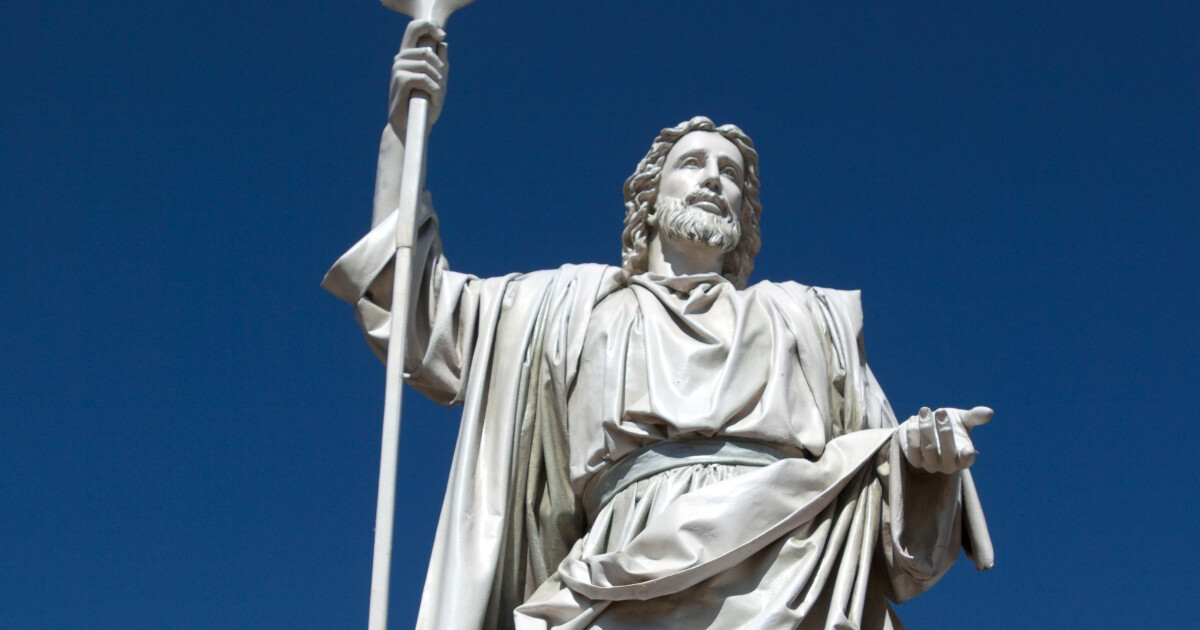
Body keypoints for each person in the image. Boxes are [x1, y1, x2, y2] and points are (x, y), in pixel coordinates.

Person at [324, 21, 994, 630]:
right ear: (649, 197)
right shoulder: (564, 307)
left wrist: (921, 459)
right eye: (693, 164)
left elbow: (887, 495)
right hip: (623, 578)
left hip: (796, 576)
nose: (713, 180)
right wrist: (404, 132)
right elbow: (412, 302)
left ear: (744, 215)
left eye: (731, 174)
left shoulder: (809, 319)